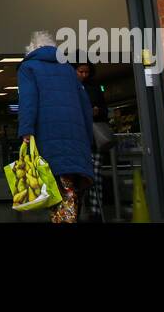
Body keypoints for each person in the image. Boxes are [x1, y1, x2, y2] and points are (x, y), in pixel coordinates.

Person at [18, 32, 94, 223]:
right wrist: (87, 136)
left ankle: (65, 219)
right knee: (70, 184)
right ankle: (68, 216)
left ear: (32, 50)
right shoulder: (68, 70)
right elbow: (85, 105)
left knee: (60, 187)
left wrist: (26, 131)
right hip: (76, 137)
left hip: (48, 135)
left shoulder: (28, 67)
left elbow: (28, 102)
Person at [75, 62, 108, 222]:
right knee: (79, 179)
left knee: (94, 177)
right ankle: (79, 207)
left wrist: (97, 111)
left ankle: (95, 211)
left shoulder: (94, 88)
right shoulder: (71, 89)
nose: (84, 75)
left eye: (86, 72)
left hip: (91, 139)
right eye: (80, 71)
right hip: (80, 140)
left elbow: (104, 110)